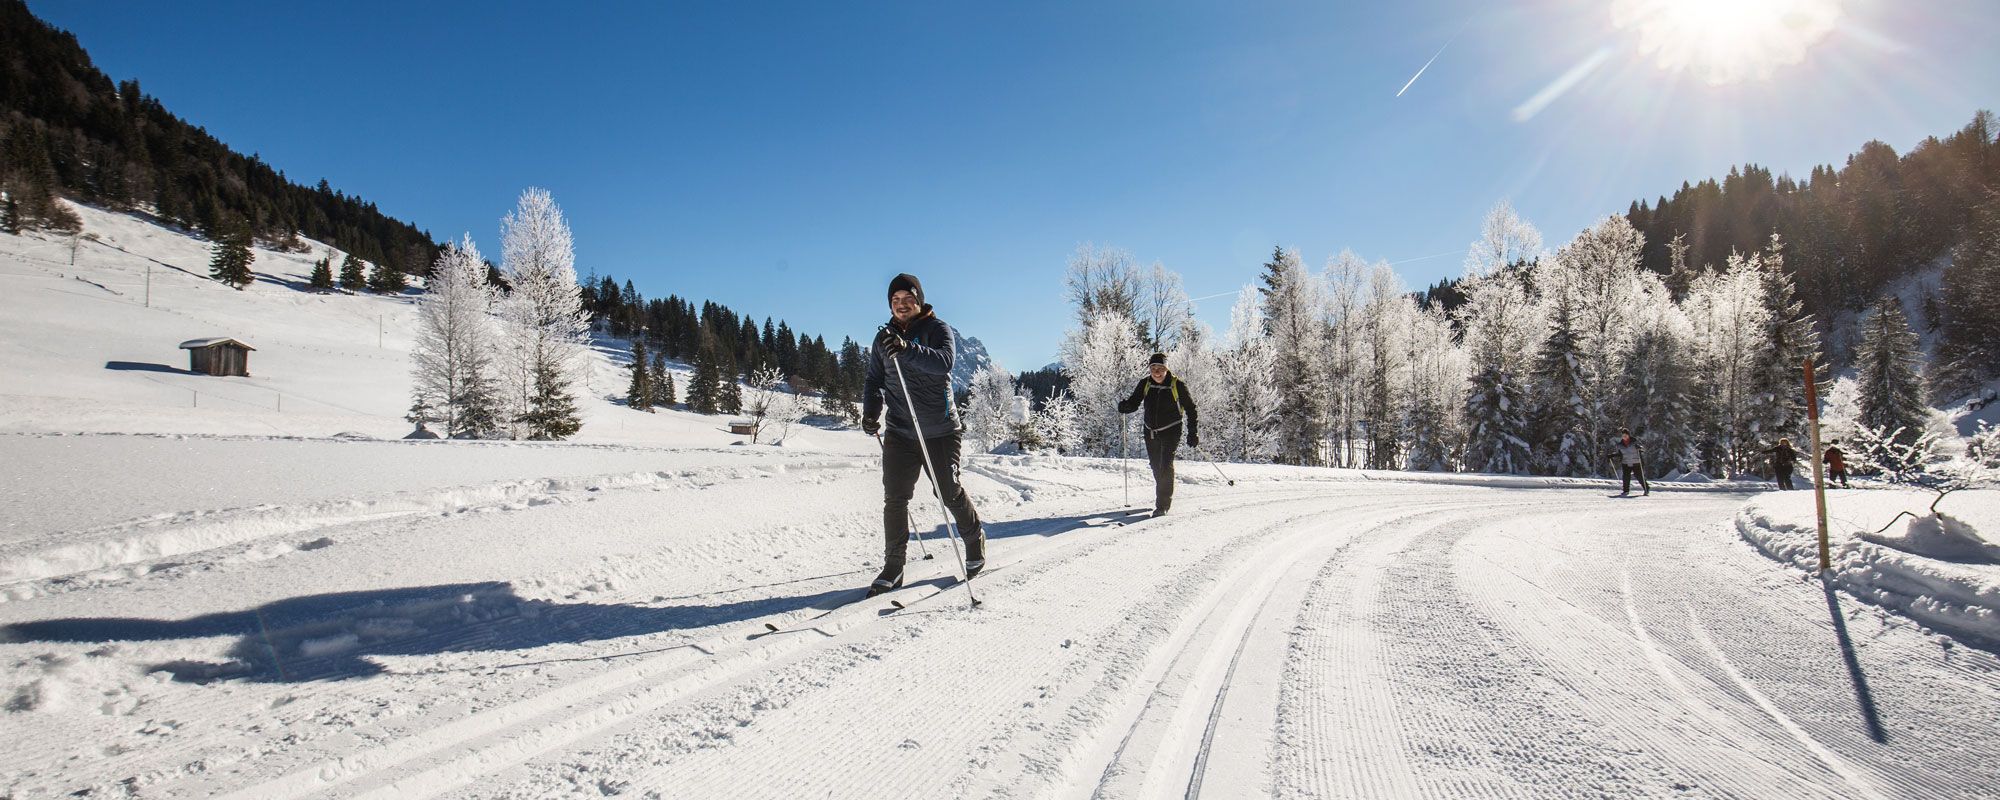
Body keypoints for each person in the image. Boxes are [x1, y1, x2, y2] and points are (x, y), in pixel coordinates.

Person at [861, 273, 984, 597]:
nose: (902, 305)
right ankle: (894, 566)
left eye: (907, 299)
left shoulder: (937, 329)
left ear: (919, 300)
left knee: (948, 493)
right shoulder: (882, 339)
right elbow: (874, 380)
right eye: (895, 301)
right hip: (901, 430)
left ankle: (974, 539)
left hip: (940, 430)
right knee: (895, 498)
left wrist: (907, 348)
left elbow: (944, 363)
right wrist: (871, 412)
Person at [1117, 352, 1199, 516]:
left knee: (1165, 466)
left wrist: (1192, 433)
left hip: (1172, 429)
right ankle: (1162, 496)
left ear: (1166, 368)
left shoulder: (1178, 385)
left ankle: (1162, 505)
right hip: (1150, 431)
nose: (1157, 371)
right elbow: (1135, 402)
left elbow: (1191, 409)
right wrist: (1125, 406)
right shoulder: (1145, 384)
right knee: (1155, 466)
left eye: (1160, 367)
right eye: (1153, 367)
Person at [1614, 428, 1648, 496]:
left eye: (1626, 435)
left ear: (1628, 435)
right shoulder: (1620, 445)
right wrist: (1612, 455)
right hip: (1625, 463)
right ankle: (1626, 491)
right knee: (1626, 477)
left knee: (1639, 476)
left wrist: (1639, 448)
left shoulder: (1634, 442)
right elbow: (1620, 454)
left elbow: (1643, 448)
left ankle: (1646, 489)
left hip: (1636, 462)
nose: (1624, 437)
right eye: (1623, 436)